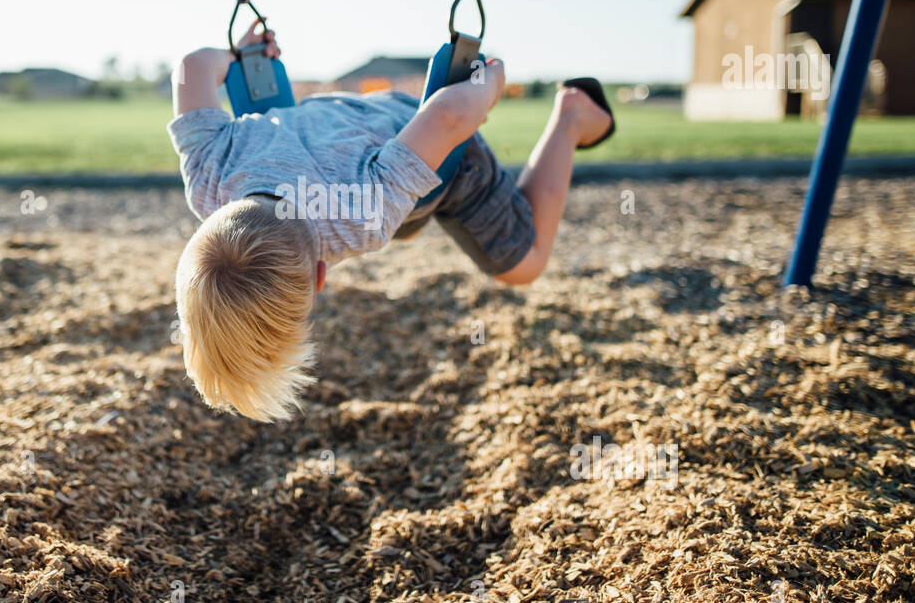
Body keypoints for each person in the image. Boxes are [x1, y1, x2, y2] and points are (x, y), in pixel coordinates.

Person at [169, 23, 614, 423]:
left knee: (526, 263)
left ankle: (573, 116)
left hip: (445, 156)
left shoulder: (363, 211)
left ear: (321, 277)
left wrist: (489, 82)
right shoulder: (208, 174)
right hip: (364, 116)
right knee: (401, 219)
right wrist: (241, 57)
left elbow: (450, 118)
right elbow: (192, 69)